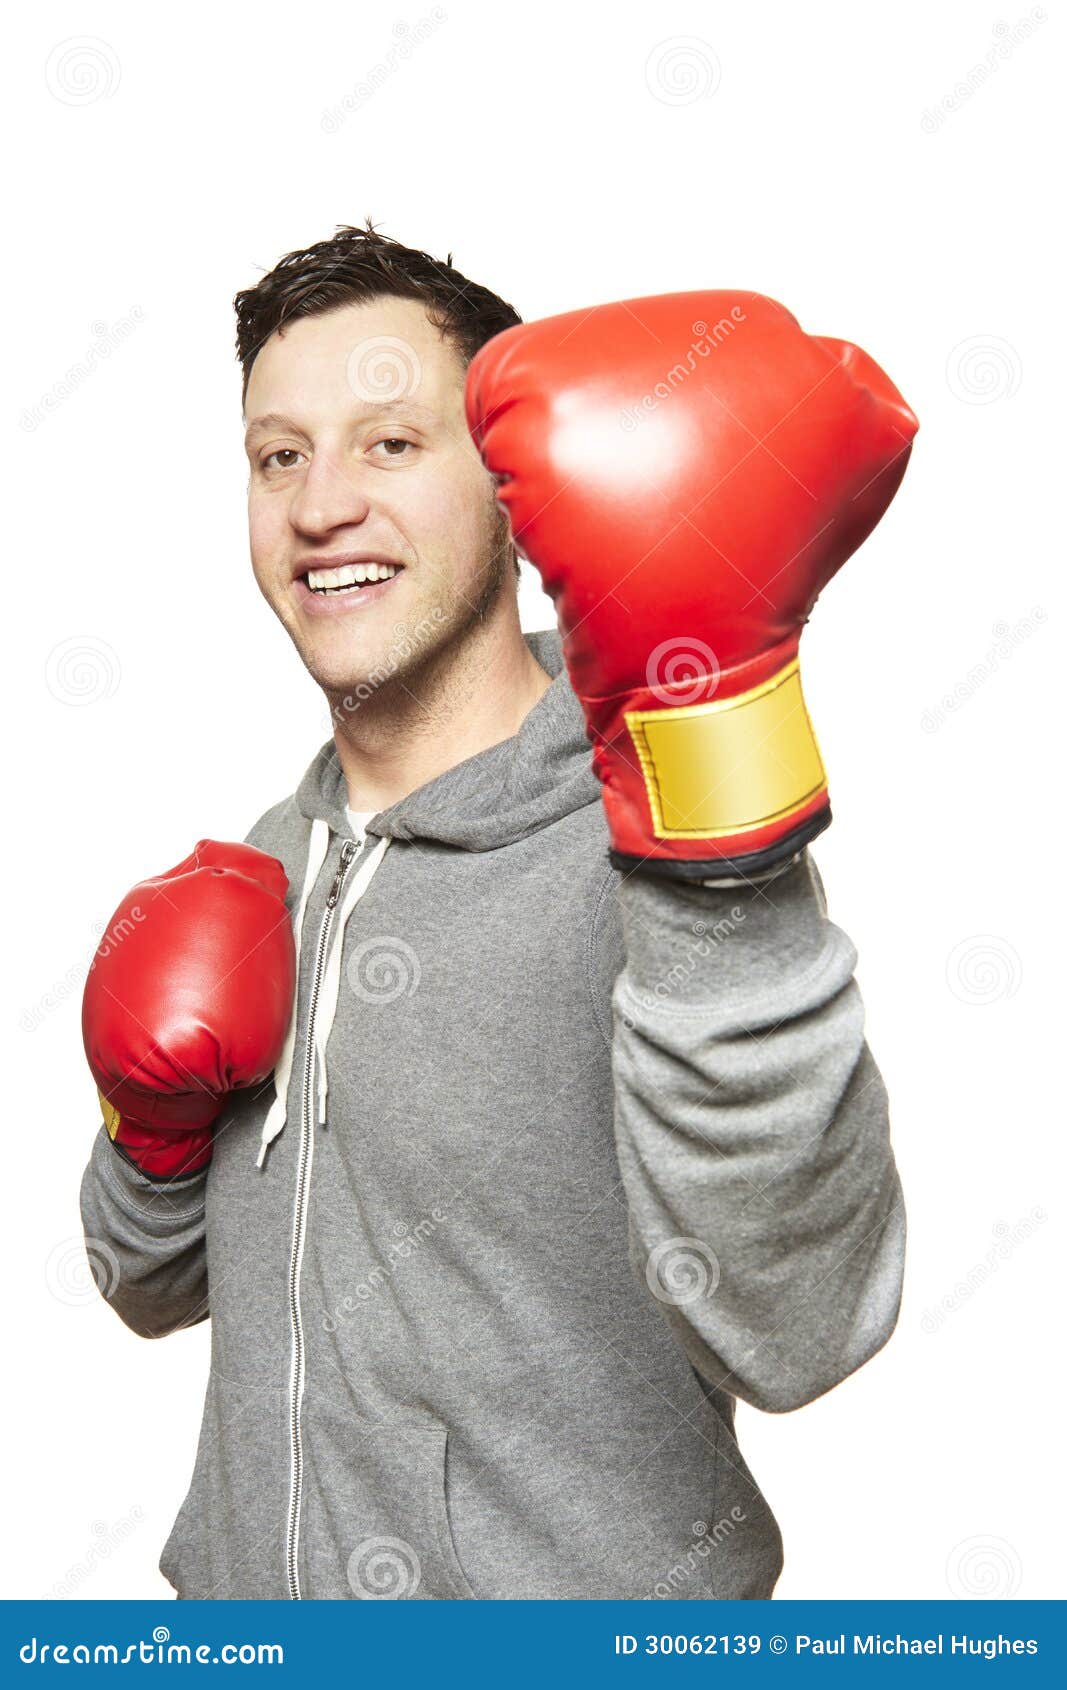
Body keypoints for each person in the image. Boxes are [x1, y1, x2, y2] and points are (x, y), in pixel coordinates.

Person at [79, 223, 914, 1601]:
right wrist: (147, 1131)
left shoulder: (658, 842)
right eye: (280, 454)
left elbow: (805, 1328)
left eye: (391, 444)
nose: (320, 504)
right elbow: (142, 1280)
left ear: (518, 492)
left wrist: (723, 849)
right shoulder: (267, 868)